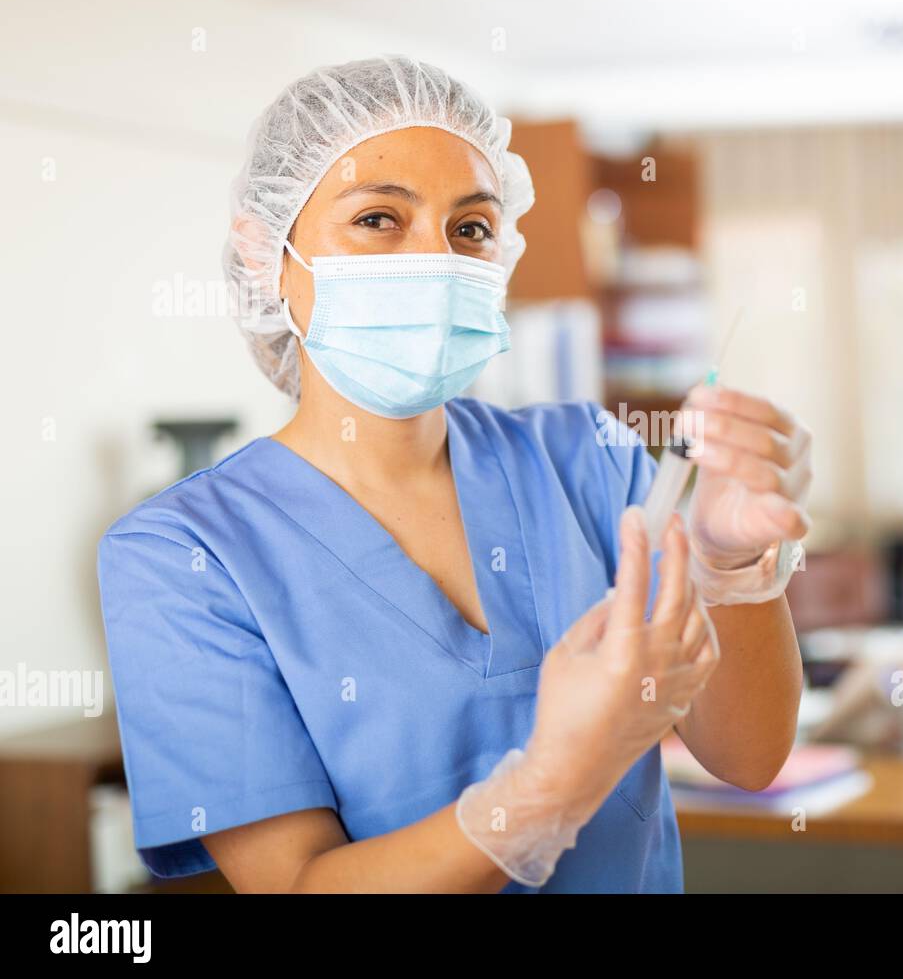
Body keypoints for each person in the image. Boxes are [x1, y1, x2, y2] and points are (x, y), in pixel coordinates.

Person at [96, 56, 812, 893]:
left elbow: (752, 757)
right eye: (378, 218)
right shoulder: (181, 555)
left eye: (469, 228)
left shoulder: (585, 456)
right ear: (270, 259)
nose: (434, 260)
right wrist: (551, 780)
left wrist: (732, 569)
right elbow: (298, 886)